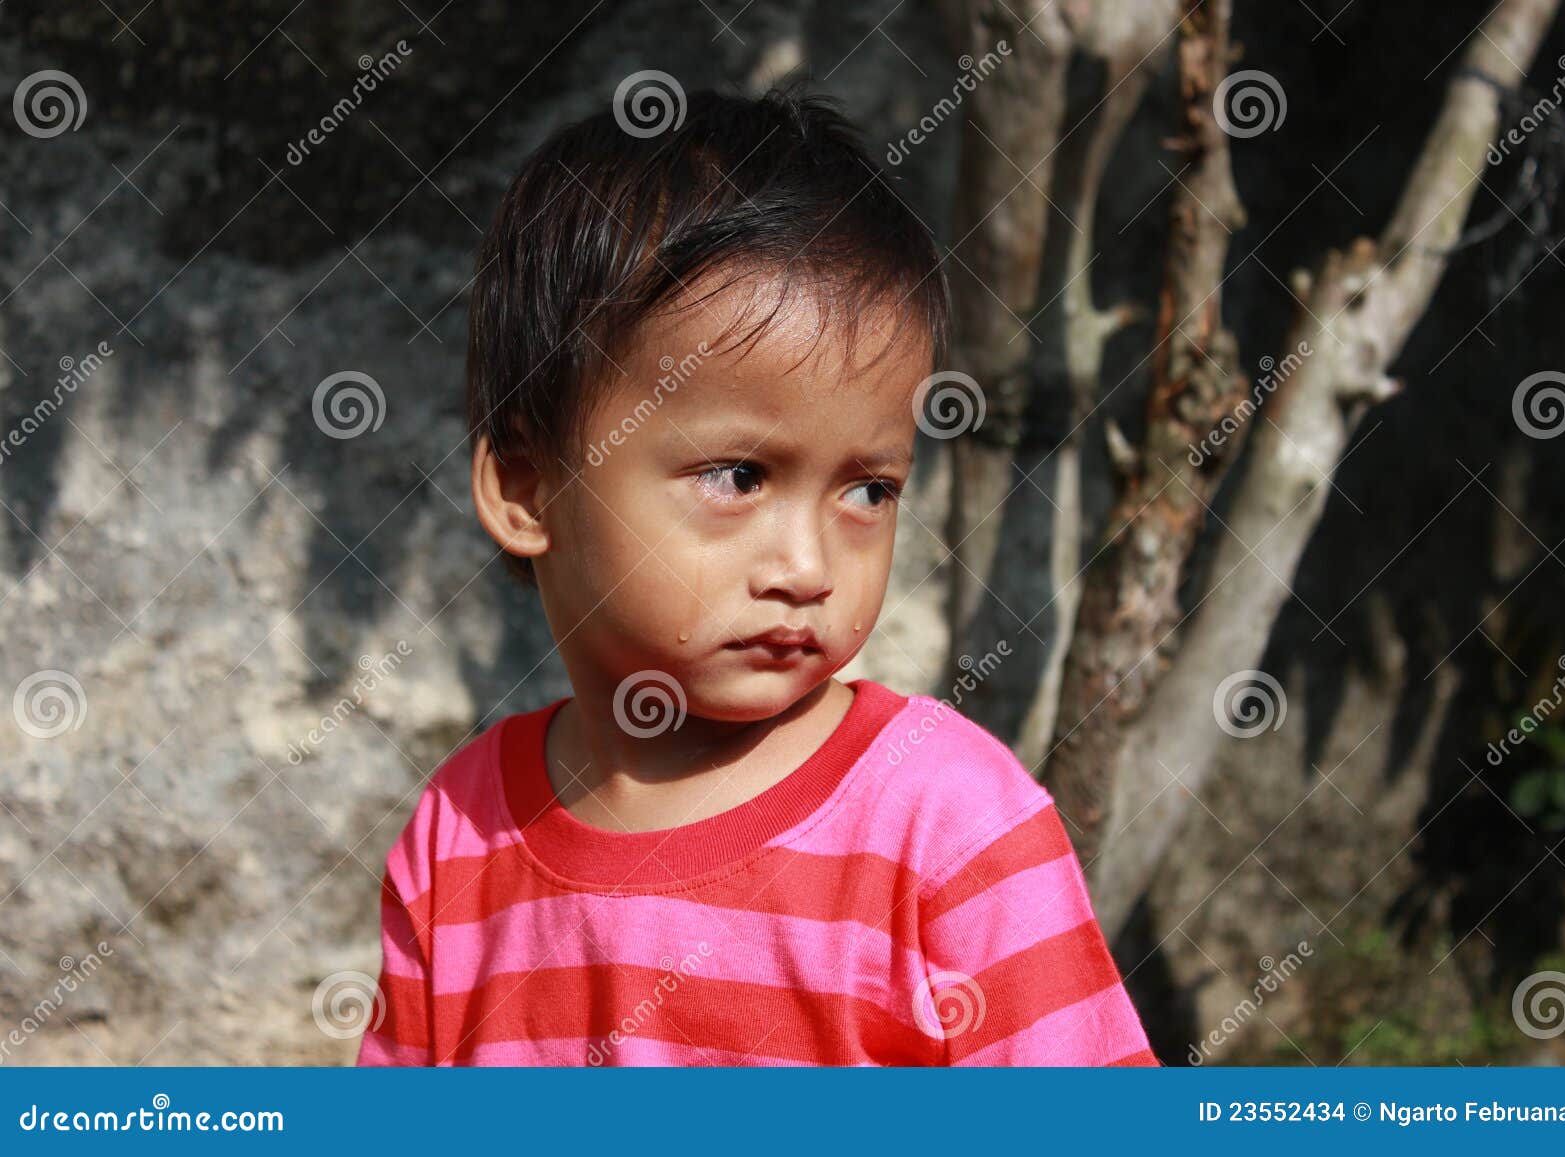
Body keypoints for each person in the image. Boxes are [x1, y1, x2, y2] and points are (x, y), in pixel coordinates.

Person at [356, 83, 1156, 1067]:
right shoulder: (460, 835)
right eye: (738, 476)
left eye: (867, 490)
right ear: (527, 488)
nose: (809, 566)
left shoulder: (943, 821)